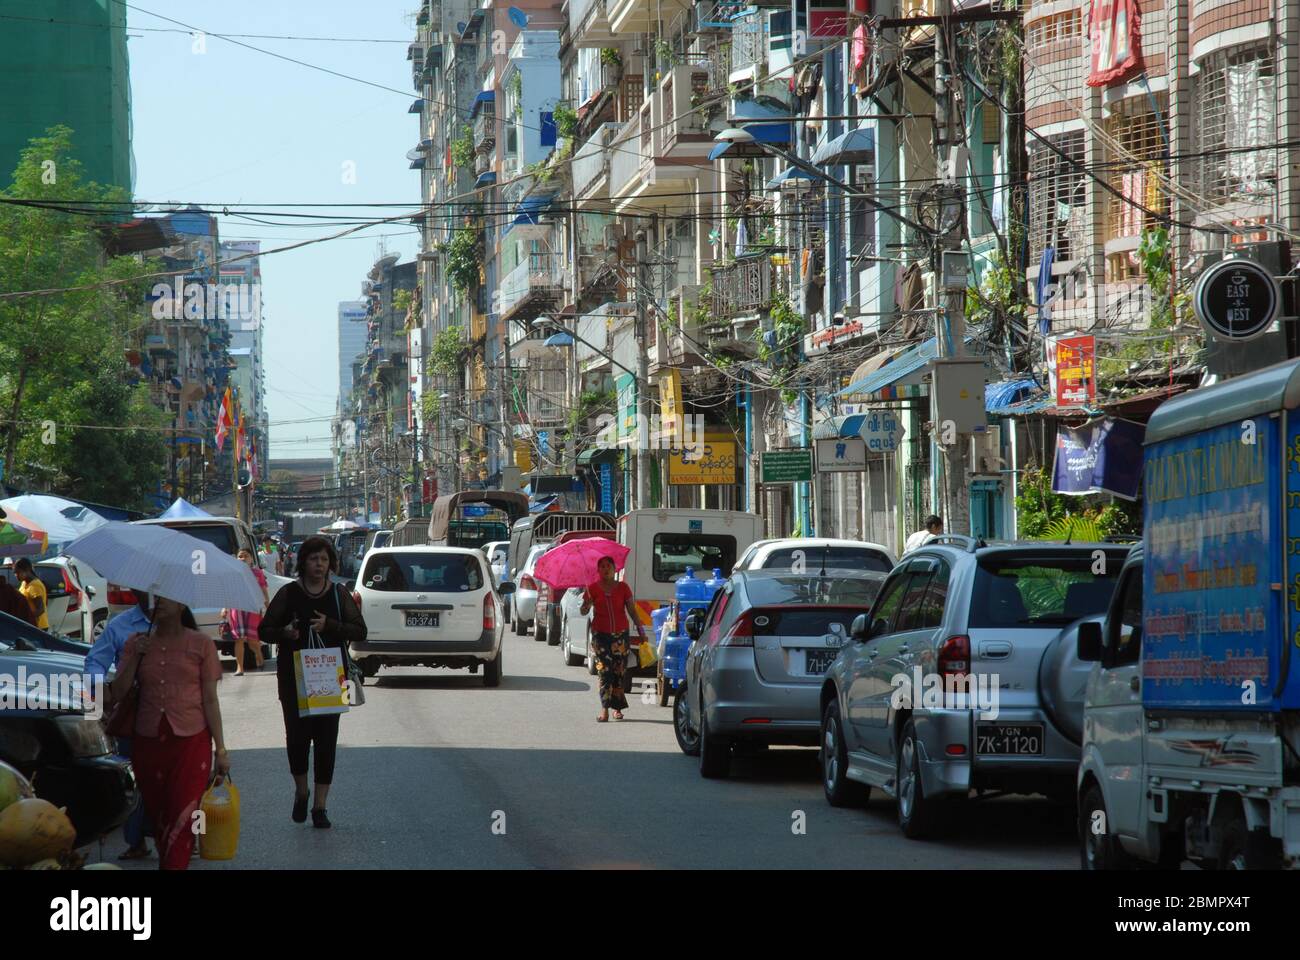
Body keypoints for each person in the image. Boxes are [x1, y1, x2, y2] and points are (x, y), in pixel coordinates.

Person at [108, 594, 229, 870]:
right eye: (154, 598)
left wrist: (221, 749)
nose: (158, 603)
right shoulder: (136, 642)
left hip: (192, 741)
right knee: (161, 817)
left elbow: (210, 699)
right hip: (148, 742)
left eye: (165, 598)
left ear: (182, 604)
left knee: (183, 816)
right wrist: (136, 656)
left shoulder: (202, 644)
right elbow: (118, 692)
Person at [259, 535, 366, 829]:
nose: (319, 564)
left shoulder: (338, 594)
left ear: (331, 563)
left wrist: (330, 626)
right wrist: (285, 632)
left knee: (326, 742)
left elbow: (360, 631)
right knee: (296, 739)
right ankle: (301, 791)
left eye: (324, 559)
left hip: (331, 678)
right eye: (313, 559)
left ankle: (320, 806)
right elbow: (264, 630)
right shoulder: (289, 594)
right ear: (302, 562)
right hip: (293, 679)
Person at [86, 590, 154, 860]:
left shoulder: (180, 627)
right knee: (132, 776)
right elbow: (94, 662)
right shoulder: (120, 625)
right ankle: (135, 840)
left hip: (175, 715)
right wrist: (100, 698)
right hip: (131, 713)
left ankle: (183, 835)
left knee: (173, 777)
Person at [579, 556, 646, 722]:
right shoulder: (592, 589)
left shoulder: (623, 588)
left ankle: (617, 708)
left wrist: (640, 629)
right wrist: (586, 604)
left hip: (620, 637)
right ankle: (605, 710)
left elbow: (632, 610)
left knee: (619, 672)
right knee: (604, 671)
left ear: (615, 569)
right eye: (602, 566)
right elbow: (583, 612)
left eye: (609, 566)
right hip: (600, 636)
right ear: (598, 570)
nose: (605, 569)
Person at [220, 549, 269, 676]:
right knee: (239, 639)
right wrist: (225, 608)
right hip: (236, 609)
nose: (242, 558)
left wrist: (267, 605)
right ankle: (240, 668)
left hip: (253, 609)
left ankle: (258, 654)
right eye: (240, 556)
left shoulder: (257, 573)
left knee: (253, 640)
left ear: (251, 559)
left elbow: (263, 590)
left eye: (246, 556)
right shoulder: (232, 574)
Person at [13, 558, 48, 629]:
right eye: (15, 573)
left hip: (38, 627)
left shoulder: (35, 585)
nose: (16, 575)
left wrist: (26, 618)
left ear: (27, 570)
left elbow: (40, 609)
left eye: (18, 572)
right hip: (29, 625)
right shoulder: (24, 582)